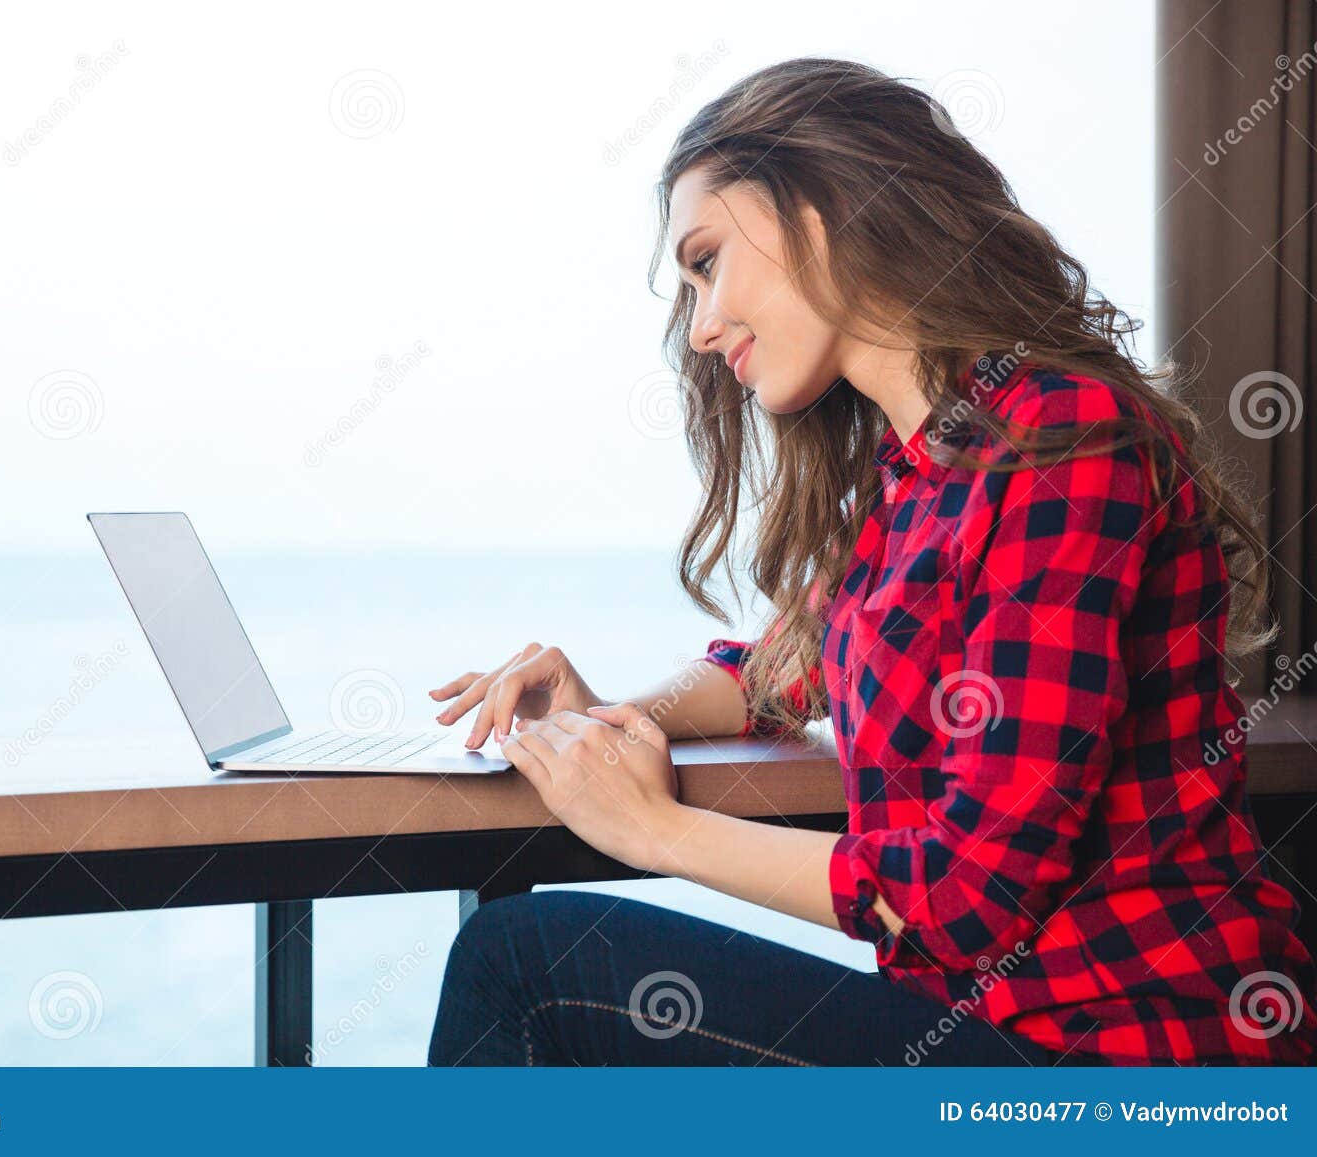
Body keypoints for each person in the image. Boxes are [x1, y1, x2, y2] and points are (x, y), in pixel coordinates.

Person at [422, 57, 1317, 1066]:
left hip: (1125, 1065)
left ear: (819, 209)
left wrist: (652, 830)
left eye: (708, 260)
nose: (704, 324)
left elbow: (968, 895)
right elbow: (777, 670)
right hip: (975, 1041)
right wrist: (611, 717)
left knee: (523, 957)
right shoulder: (912, 481)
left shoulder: (1066, 442)